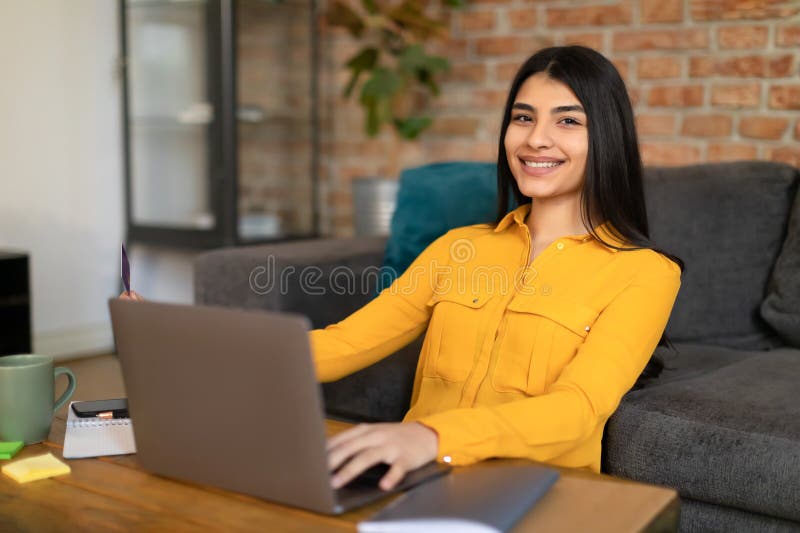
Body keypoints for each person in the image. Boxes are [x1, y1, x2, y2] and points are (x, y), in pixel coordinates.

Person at [123, 45, 682, 494]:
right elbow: (346, 343)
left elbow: (579, 410)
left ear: (605, 137)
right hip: (420, 477)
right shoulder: (459, 248)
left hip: (544, 489)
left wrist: (430, 435)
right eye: (522, 118)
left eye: (567, 121)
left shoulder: (646, 273)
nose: (536, 138)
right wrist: (188, 344)